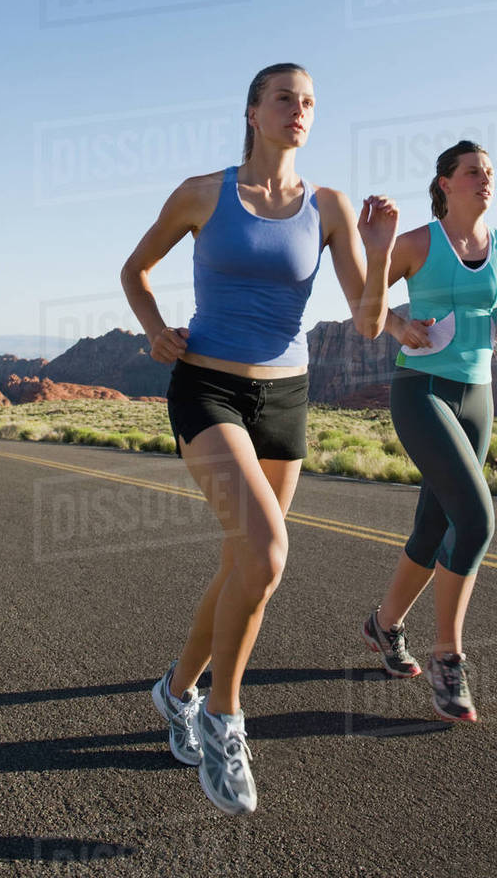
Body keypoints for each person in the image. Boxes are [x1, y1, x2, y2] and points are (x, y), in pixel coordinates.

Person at [120, 64, 397, 814]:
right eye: (284, 99)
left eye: (309, 103)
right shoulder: (203, 193)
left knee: (249, 564)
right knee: (269, 552)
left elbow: (368, 323)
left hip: (286, 397)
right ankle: (224, 717)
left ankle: (175, 692)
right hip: (207, 385)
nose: (298, 112)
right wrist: (153, 330)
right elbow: (136, 269)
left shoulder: (332, 206)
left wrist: (378, 246)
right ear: (252, 111)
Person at [361, 140, 497, 722]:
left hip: (479, 397)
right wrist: (397, 320)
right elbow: (366, 316)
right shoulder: (418, 243)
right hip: (421, 390)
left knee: (434, 523)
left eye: (490, 172)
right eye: (473, 172)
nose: (485, 180)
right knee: (476, 519)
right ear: (446, 183)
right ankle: (449, 658)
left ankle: (384, 625)